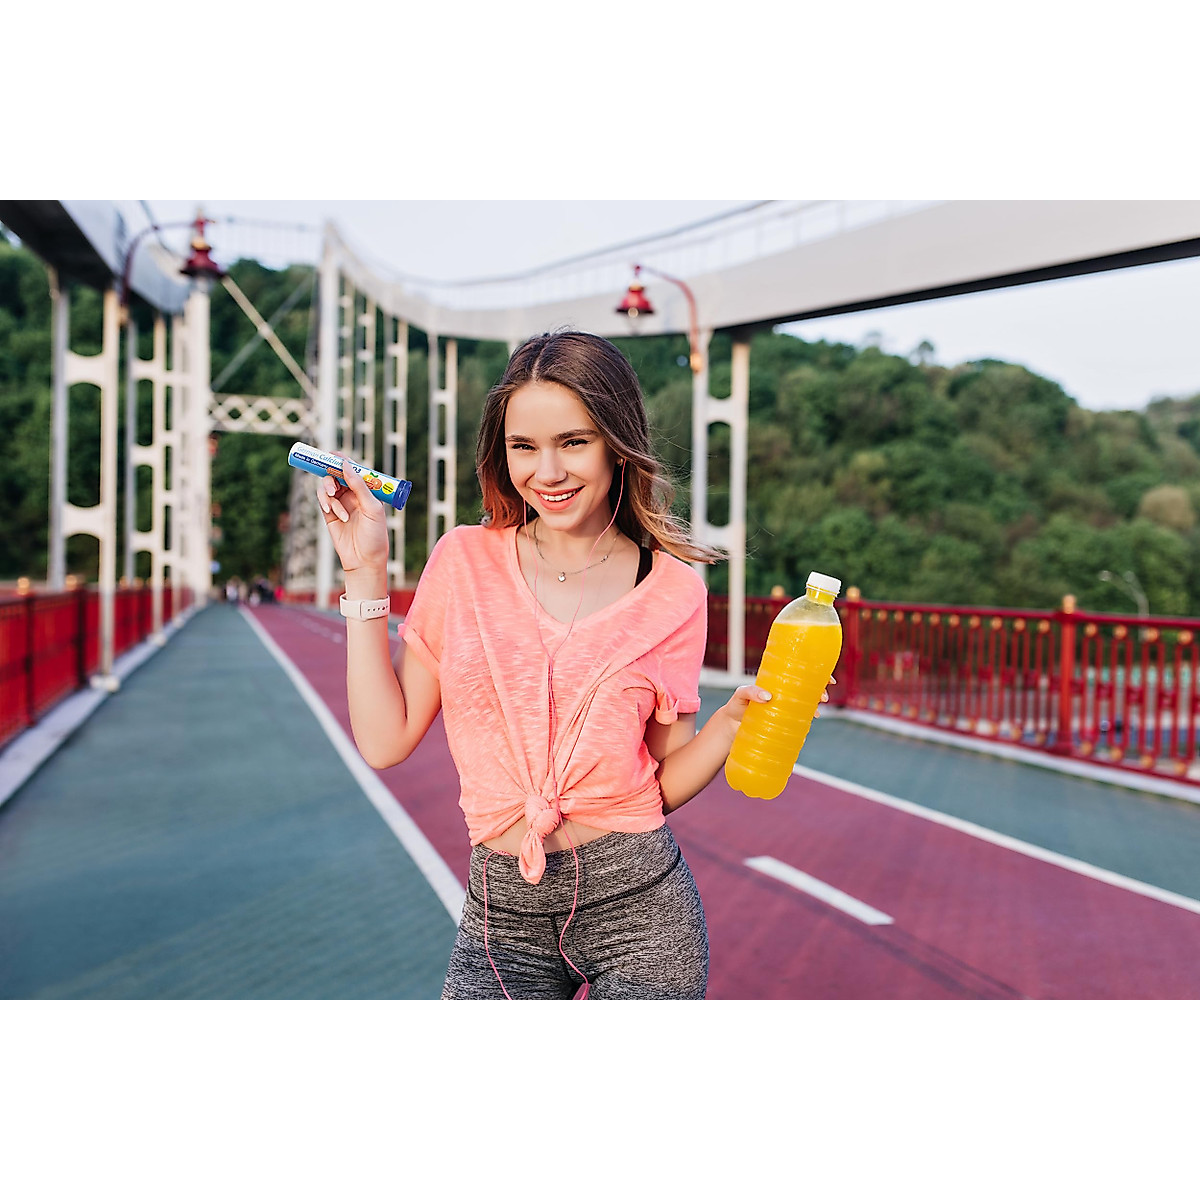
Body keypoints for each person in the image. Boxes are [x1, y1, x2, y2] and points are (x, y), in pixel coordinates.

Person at [315, 330, 830, 1000]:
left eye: (574, 442)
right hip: (501, 919)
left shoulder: (674, 592)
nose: (548, 472)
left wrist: (733, 724)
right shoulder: (463, 561)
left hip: (642, 913)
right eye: (524, 447)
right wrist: (364, 570)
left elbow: (659, 786)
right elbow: (385, 742)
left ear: (617, 443)